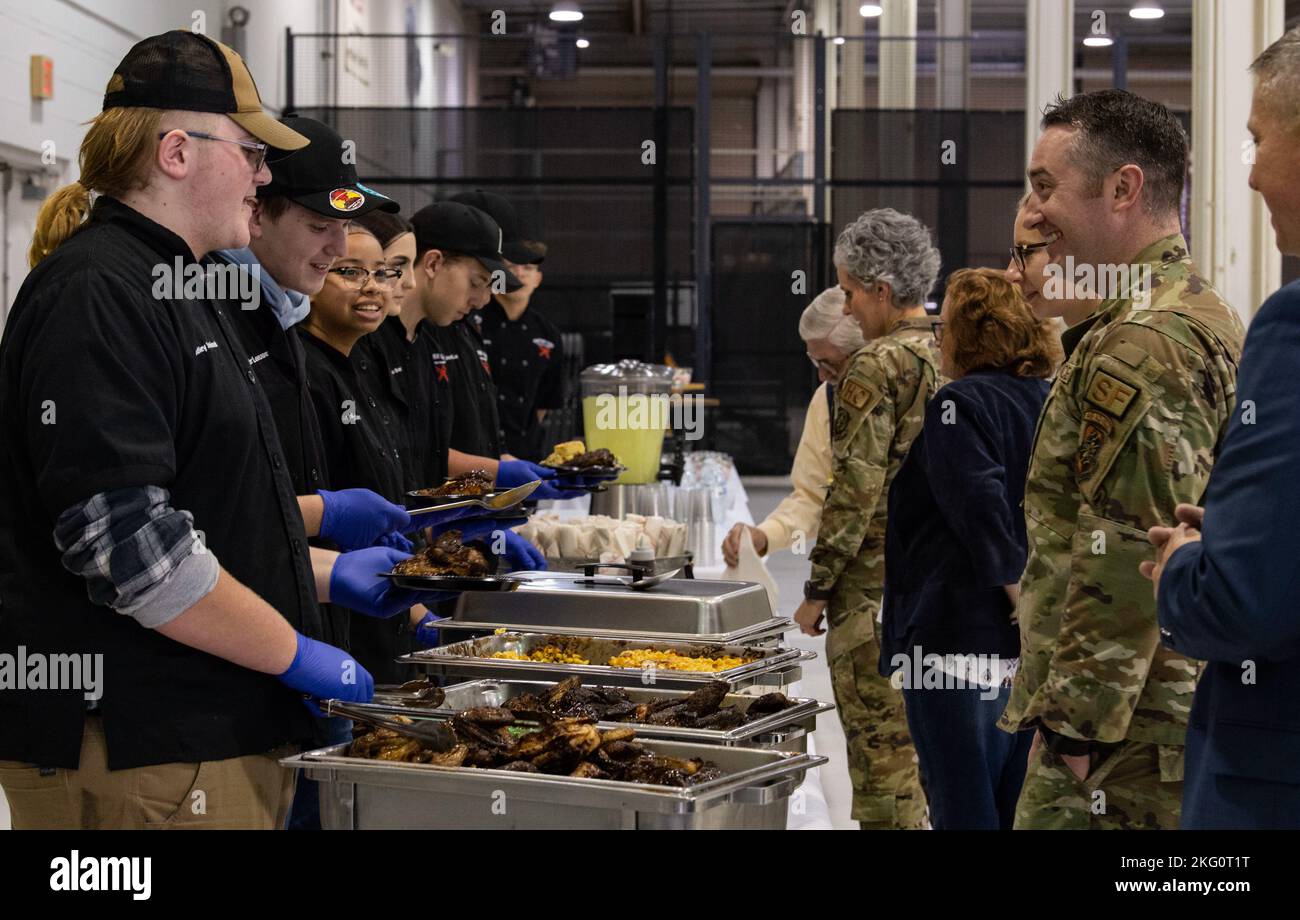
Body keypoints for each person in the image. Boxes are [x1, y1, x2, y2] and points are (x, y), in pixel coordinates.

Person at [0, 31, 412, 830]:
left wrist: (315, 576)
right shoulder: (99, 291)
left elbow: (212, 512)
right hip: (139, 742)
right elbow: (129, 548)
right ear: (178, 153)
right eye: (252, 153)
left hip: (198, 735)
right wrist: (296, 653)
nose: (263, 176)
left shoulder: (185, 287)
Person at [998, 89, 1245, 830]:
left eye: (1046, 186)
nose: (1031, 212)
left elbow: (1127, 546)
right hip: (1154, 718)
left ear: (1124, 188)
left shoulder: (1142, 342)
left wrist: (1076, 725)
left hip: (1125, 737)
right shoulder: (1189, 310)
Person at [1141, 28, 1300, 829]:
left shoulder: (1293, 326)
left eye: (1257, 140)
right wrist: (1248, 538)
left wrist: (1189, 564)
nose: (1254, 174)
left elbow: (1242, 607)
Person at [881, 268, 1058, 829]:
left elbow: (980, 508)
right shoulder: (1048, 398)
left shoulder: (958, 402)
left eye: (944, 324)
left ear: (969, 332)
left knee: (964, 814)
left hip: (957, 654)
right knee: (1011, 813)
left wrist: (1020, 597)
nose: (937, 338)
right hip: (1023, 661)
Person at [792, 208, 943, 830]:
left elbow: (853, 490)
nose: (848, 308)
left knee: (881, 763)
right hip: (933, 591)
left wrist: (817, 589)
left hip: (872, 593)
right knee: (926, 753)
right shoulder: (948, 353)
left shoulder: (876, 368)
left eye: (851, 293)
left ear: (882, 289)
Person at [409, 201, 583, 500]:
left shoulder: (463, 325)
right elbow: (411, 447)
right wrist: (494, 471)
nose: (483, 299)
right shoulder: (427, 330)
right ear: (432, 263)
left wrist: (497, 466)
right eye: (478, 282)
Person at [721, 286, 864, 567]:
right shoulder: (828, 398)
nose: (822, 375)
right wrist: (765, 535)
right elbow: (811, 497)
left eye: (829, 363)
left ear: (864, 350)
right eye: (815, 361)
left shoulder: (919, 394)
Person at [453, 190, 564, 461]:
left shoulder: (546, 333)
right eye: (512, 266)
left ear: (539, 278)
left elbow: (543, 404)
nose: (520, 273)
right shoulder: (465, 320)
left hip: (520, 451)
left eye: (529, 268)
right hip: (470, 457)